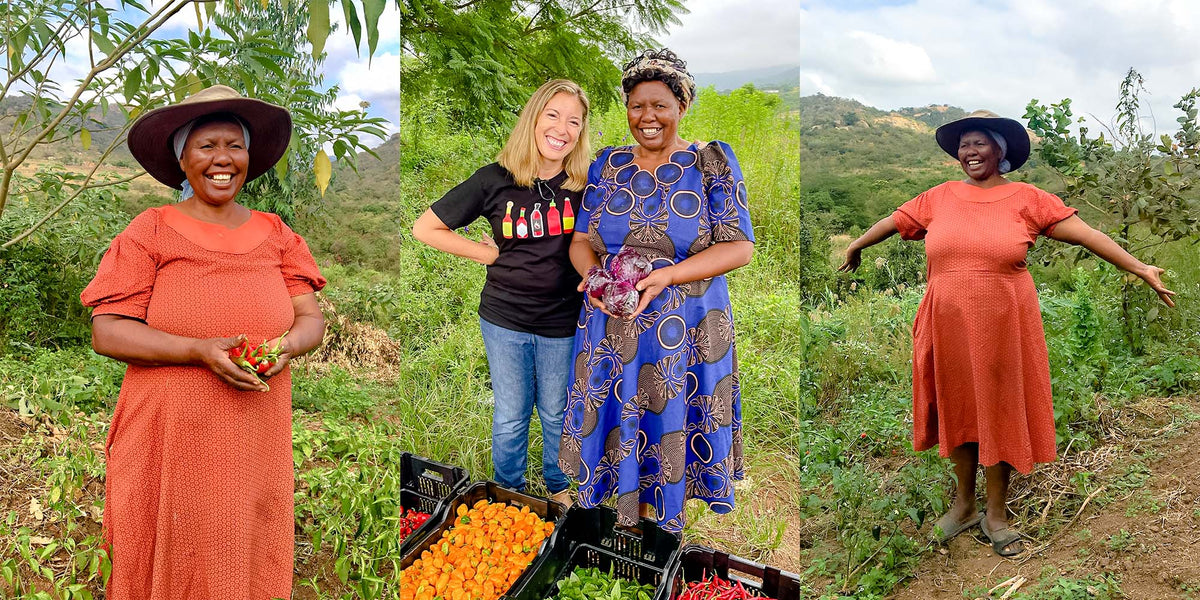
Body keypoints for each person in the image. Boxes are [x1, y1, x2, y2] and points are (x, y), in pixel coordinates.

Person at [840, 110, 1175, 557]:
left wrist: (1139, 267)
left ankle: (996, 513)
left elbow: (1088, 235)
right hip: (946, 322)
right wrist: (857, 244)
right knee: (959, 406)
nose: (970, 152)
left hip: (1003, 323)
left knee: (997, 408)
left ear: (1000, 150)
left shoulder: (1029, 199)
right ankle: (964, 505)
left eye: (979, 143)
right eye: (964, 145)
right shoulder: (939, 197)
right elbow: (893, 220)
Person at [81, 85, 326, 597]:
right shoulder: (151, 229)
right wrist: (198, 350)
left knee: (238, 534)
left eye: (234, 145)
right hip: (170, 429)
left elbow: (309, 318)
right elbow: (108, 330)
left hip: (253, 428)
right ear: (182, 158)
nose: (222, 159)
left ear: (248, 158)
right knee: (173, 534)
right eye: (206, 146)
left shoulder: (278, 233)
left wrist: (286, 347)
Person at [557, 49, 755, 534]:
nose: (647, 117)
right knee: (622, 418)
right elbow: (581, 242)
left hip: (684, 329)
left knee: (669, 422)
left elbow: (739, 247)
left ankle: (661, 531)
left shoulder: (709, 162)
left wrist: (668, 276)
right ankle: (627, 526)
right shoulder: (607, 165)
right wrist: (593, 279)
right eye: (637, 106)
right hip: (612, 324)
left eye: (660, 105)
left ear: (682, 106)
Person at [411, 79, 591, 506]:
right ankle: (509, 492)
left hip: (564, 320)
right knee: (511, 414)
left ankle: (558, 487)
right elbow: (425, 227)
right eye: (552, 115)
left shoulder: (585, 182)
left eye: (574, 121)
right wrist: (486, 254)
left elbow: (637, 167)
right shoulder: (495, 179)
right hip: (504, 319)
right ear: (533, 119)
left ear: (581, 132)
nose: (562, 129)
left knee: (557, 412)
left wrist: (686, 149)